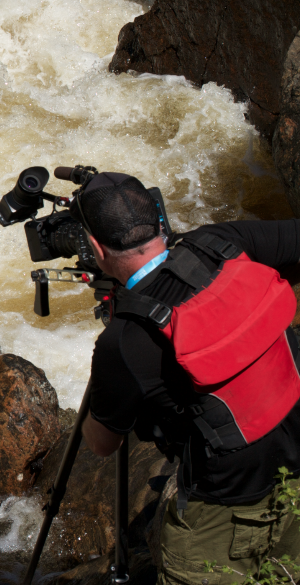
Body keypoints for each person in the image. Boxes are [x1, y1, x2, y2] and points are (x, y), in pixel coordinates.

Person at [75, 172, 300, 584]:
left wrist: (101, 387)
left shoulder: (124, 340)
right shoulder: (223, 241)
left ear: (95, 248)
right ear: (160, 219)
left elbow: (102, 443)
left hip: (229, 503)